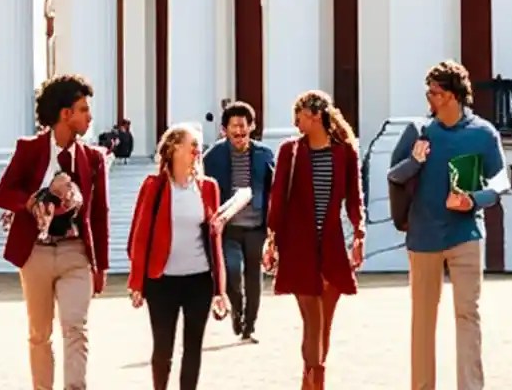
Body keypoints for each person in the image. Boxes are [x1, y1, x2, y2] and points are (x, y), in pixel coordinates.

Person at [387, 60, 510, 390]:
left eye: (435, 92)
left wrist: (474, 200)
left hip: (466, 235)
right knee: (423, 322)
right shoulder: (418, 130)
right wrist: (415, 161)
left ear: (453, 96)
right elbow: (394, 176)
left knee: (468, 315)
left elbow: (501, 183)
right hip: (423, 237)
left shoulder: (484, 134)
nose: (429, 97)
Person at [0, 74, 110, 390]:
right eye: (83, 109)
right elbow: (2, 194)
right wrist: (31, 200)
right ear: (65, 114)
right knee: (39, 334)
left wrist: (101, 265)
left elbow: (99, 214)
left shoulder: (93, 158)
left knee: (76, 328)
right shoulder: (29, 149)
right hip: (36, 252)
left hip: (76, 253)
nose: (89, 116)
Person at [262, 90, 365, 390]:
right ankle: (313, 380)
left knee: (325, 324)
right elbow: (277, 198)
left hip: (332, 247)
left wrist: (359, 234)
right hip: (298, 247)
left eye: (300, 118)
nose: (297, 125)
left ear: (316, 115)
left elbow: (354, 200)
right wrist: (272, 239)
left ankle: (313, 379)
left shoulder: (344, 152)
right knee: (311, 321)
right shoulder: (289, 152)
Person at [126, 123, 229, 390]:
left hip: (199, 280)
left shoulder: (209, 188)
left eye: (199, 145)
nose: (198, 150)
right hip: (162, 281)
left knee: (193, 347)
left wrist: (220, 288)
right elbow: (139, 237)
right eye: (192, 144)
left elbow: (213, 239)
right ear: (174, 148)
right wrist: (136, 283)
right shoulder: (154, 187)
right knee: (163, 348)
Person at [202, 100, 274, 342]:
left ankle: (249, 326)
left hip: (256, 226)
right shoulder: (213, 156)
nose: (239, 132)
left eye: (243, 126)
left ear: (251, 127)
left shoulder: (265, 154)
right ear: (225, 129)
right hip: (228, 228)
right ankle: (237, 311)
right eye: (234, 127)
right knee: (232, 270)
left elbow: (272, 188)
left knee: (254, 276)